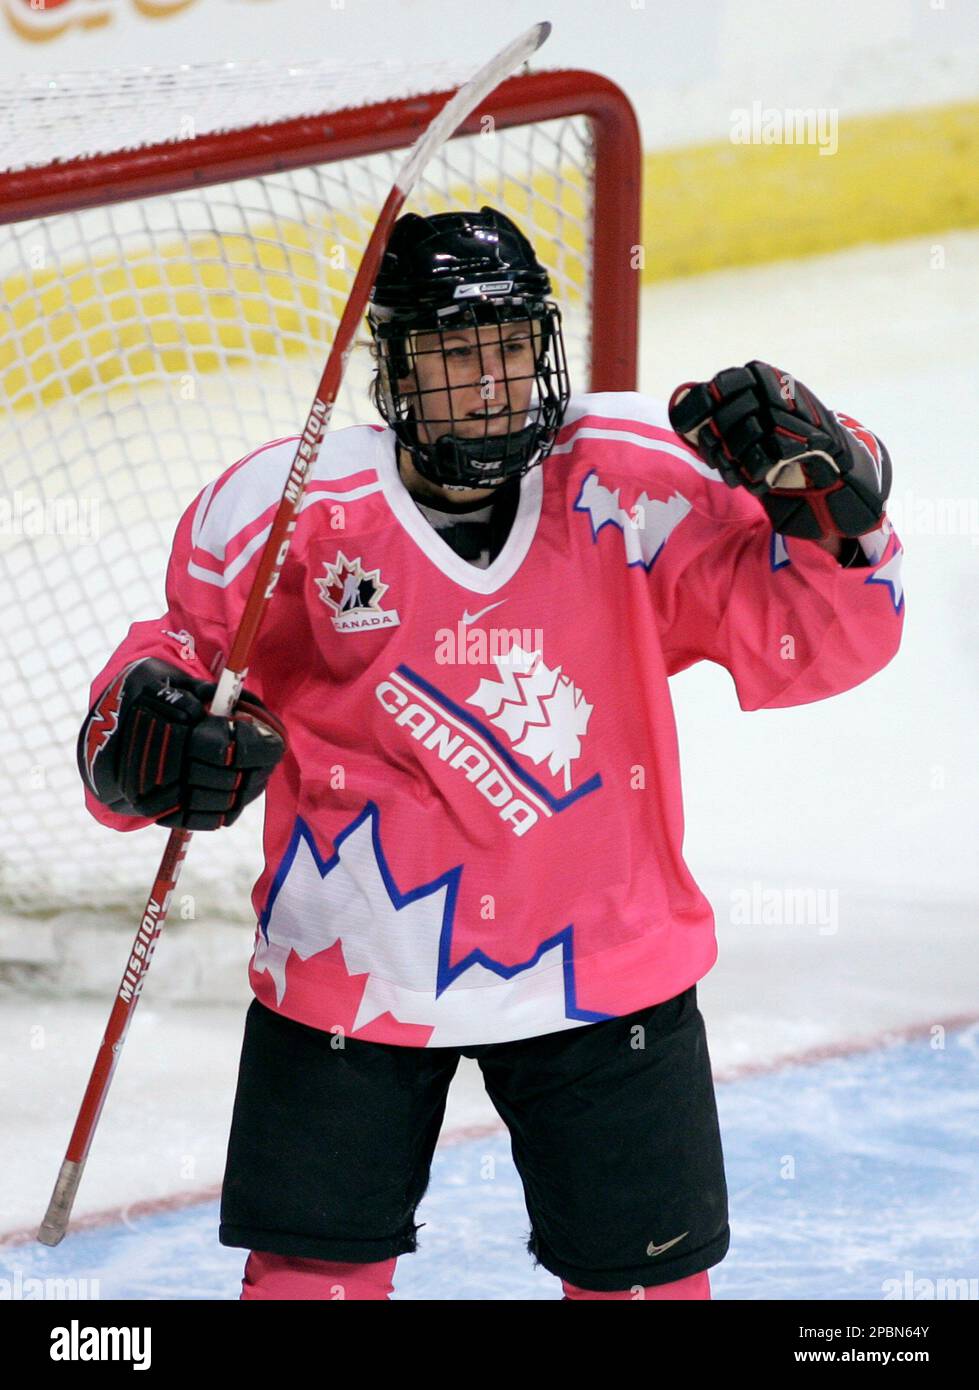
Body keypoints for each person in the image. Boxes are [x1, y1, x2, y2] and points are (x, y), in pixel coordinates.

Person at [78, 207, 905, 1300]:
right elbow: (166, 663)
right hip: (354, 970)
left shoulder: (625, 481)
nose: (490, 381)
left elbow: (827, 638)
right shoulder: (291, 512)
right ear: (395, 368)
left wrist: (835, 499)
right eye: (455, 353)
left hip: (604, 965)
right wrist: (143, 737)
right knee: (306, 1288)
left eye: (511, 347)